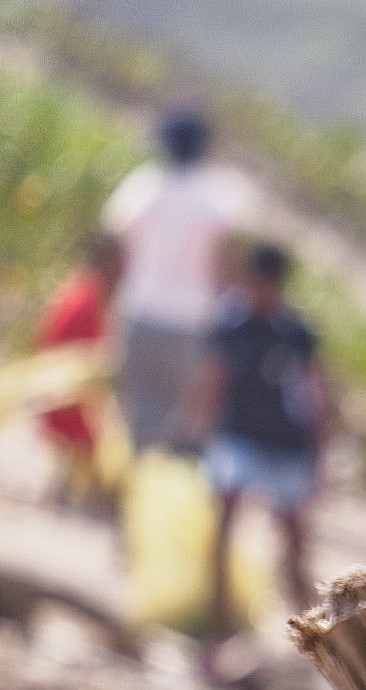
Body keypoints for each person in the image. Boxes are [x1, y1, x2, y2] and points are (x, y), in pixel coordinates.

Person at [194, 241, 327, 650]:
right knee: (222, 527)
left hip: (285, 446)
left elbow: (316, 394)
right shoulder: (231, 325)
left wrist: (319, 456)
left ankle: (315, 639)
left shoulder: (296, 333)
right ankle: (216, 637)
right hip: (241, 439)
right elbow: (215, 377)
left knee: (293, 545)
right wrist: (200, 429)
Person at [101, 105, 254, 452]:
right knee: (183, 425)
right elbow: (226, 267)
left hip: (139, 312)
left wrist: (106, 308)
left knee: (135, 416)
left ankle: (133, 488)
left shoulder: (144, 186)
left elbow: (115, 254)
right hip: (193, 321)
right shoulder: (218, 196)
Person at [32, 234, 122, 501]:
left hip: (60, 376)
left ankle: (64, 487)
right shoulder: (87, 296)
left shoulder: (75, 288)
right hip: (68, 379)